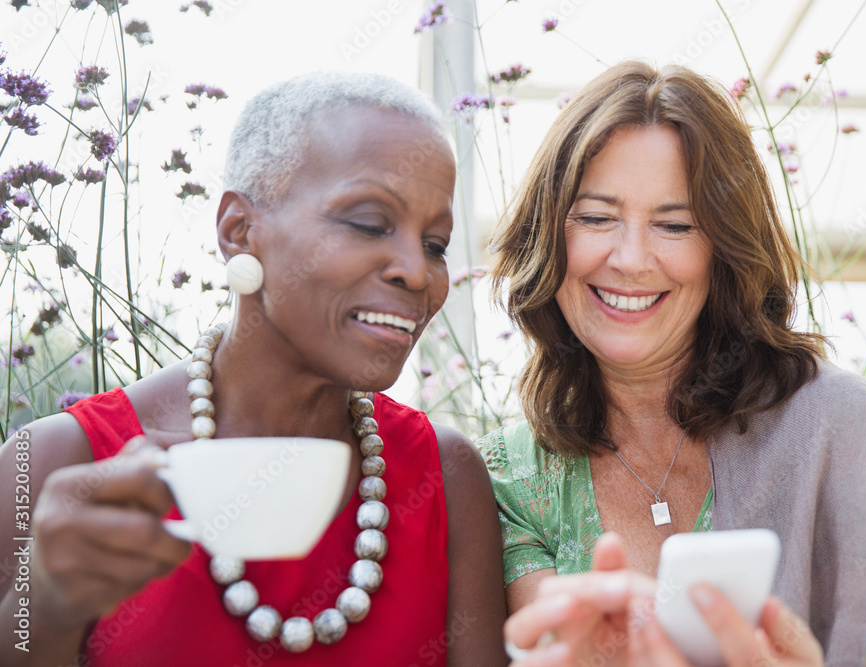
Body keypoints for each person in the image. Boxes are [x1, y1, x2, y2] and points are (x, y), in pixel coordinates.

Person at [480, 60, 866, 665]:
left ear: (725, 249)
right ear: (546, 234)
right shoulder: (513, 477)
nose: (630, 258)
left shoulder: (852, 434)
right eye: (596, 217)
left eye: (675, 225)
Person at [0, 72, 508, 666]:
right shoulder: (58, 462)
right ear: (240, 232)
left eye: (435, 244)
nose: (417, 272)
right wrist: (48, 606)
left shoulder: (445, 477)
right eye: (370, 224)